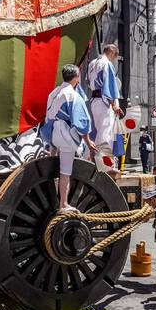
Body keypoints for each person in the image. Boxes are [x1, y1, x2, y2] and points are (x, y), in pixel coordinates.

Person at [41, 64, 95, 213]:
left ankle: (51, 156)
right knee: (65, 171)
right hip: (64, 134)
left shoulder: (54, 92)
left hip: (50, 132)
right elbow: (81, 122)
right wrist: (88, 141)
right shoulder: (73, 95)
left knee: (55, 163)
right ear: (76, 78)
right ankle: (63, 204)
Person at [85, 45, 123, 176]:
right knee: (106, 135)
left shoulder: (92, 63)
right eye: (114, 57)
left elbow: (89, 82)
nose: (113, 60)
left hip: (94, 101)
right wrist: (114, 104)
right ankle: (107, 166)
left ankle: (93, 161)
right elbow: (109, 86)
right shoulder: (106, 64)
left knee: (96, 133)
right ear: (112, 52)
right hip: (104, 101)